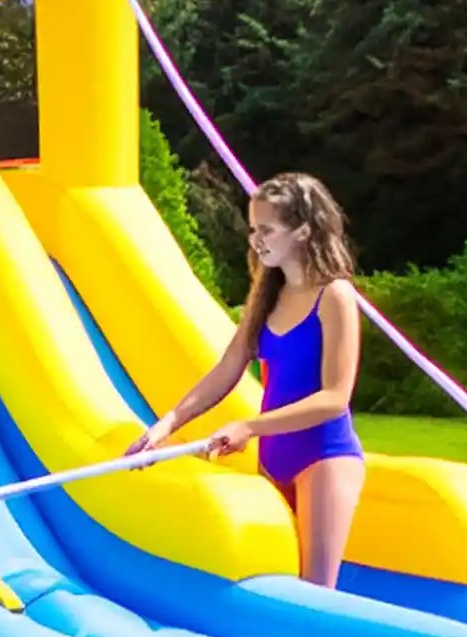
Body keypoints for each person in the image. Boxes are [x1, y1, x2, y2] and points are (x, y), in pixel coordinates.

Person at [126, 172, 365, 589]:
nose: (257, 240)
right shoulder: (268, 295)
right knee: (277, 584)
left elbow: (334, 397)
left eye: (268, 230)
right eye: (254, 229)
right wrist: (165, 425)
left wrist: (249, 426)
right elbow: (226, 370)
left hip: (324, 456)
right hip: (274, 457)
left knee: (317, 593)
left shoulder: (335, 295)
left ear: (304, 231)